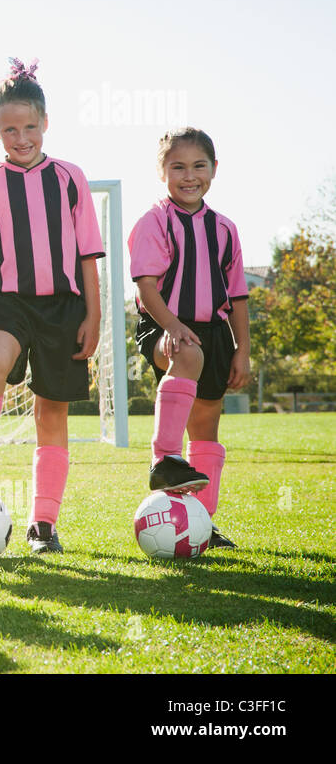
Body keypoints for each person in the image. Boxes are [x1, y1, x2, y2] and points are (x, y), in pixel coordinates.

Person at [0, 59, 104, 554]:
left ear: (46, 123)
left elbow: (89, 257)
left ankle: (43, 524)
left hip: (63, 308)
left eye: (30, 126)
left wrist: (93, 316)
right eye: (10, 128)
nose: (21, 136)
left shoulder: (71, 179)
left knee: (52, 415)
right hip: (4, 303)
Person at [128, 127, 249, 549]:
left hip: (215, 331)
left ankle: (202, 522)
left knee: (207, 424)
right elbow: (145, 285)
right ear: (162, 172)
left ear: (214, 169)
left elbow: (237, 297)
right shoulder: (154, 221)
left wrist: (242, 350)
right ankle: (164, 460)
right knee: (189, 355)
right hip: (163, 324)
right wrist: (173, 326)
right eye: (177, 166)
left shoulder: (225, 228)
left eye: (199, 165)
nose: (189, 175)